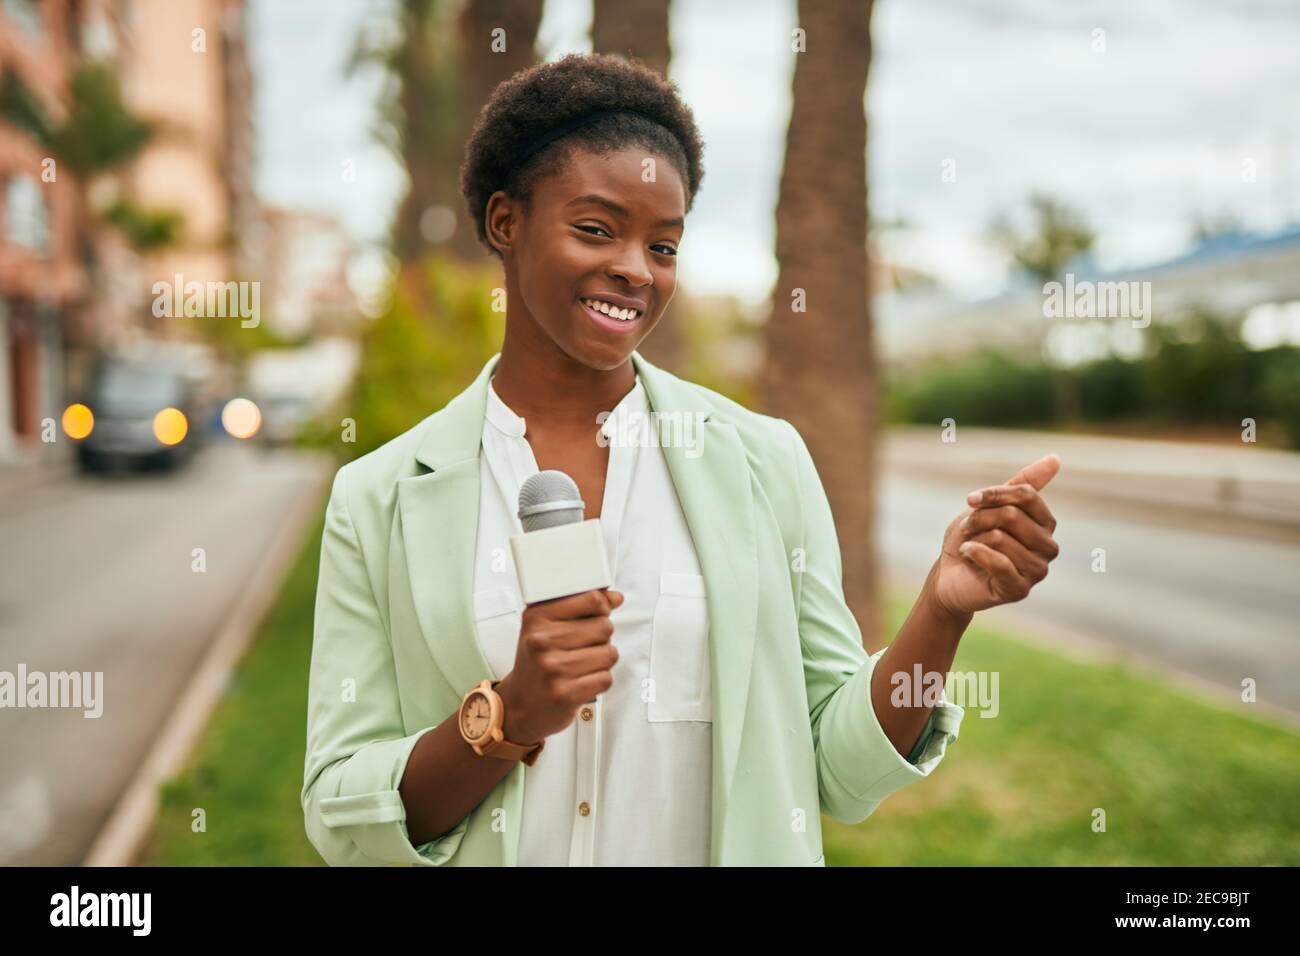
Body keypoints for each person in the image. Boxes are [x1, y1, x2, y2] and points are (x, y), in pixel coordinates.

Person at [301, 52, 1062, 867]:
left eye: (662, 246)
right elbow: (341, 809)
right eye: (596, 229)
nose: (635, 270)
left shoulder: (763, 462)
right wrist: (508, 716)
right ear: (504, 221)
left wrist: (942, 613)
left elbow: (837, 774)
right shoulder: (378, 498)